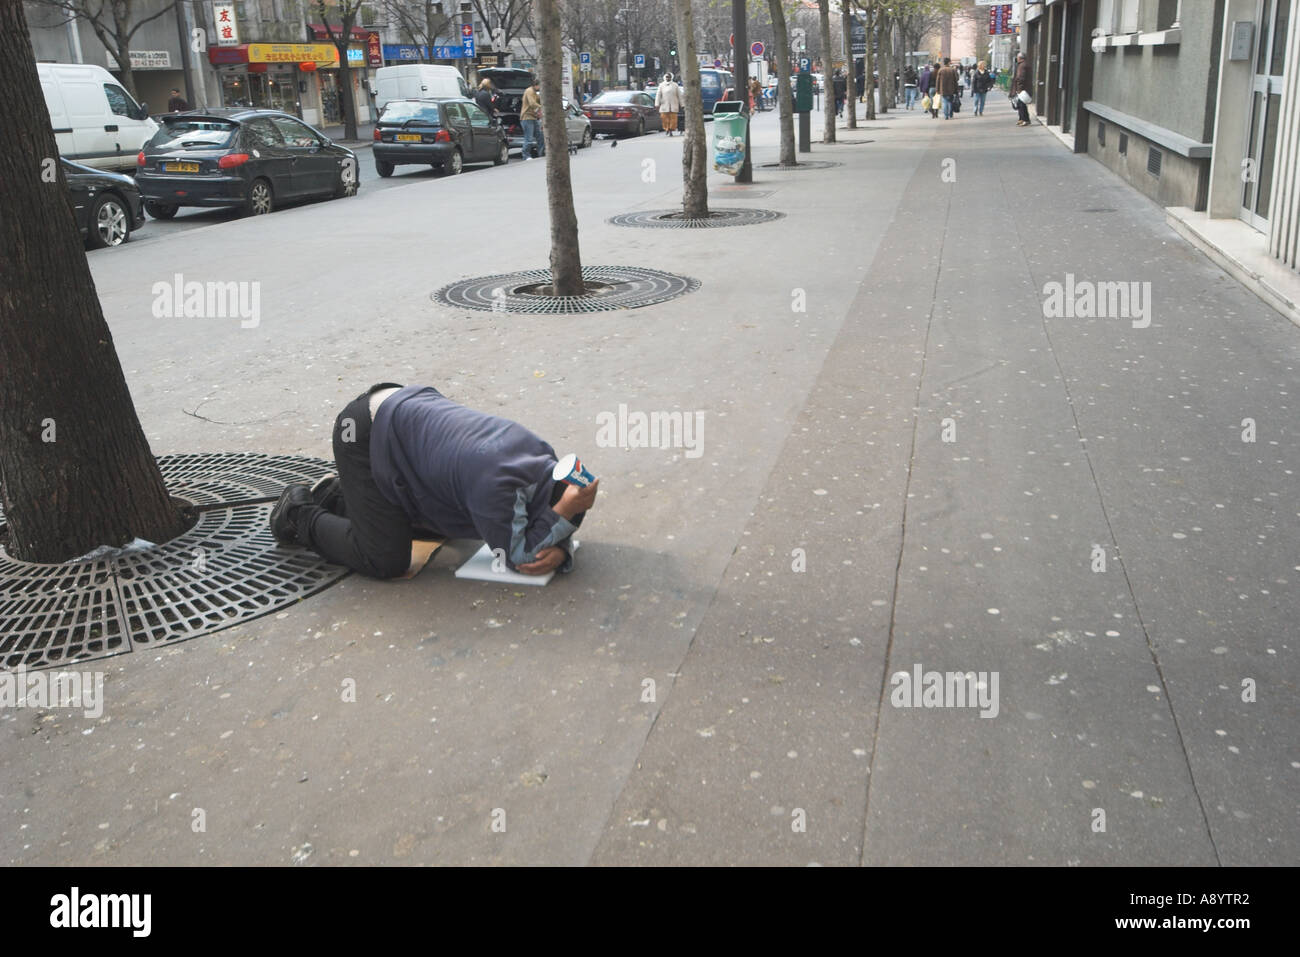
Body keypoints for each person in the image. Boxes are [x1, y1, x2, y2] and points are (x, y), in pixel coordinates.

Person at [270, 384, 597, 579]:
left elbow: (547, 519)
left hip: (402, 415)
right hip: (363, 434)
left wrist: (562, 541)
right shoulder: (497, 488)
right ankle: (298, 513)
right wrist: (563, 518)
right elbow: (519, 558)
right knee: (384, 560)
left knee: (448, 523)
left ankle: (341, 497)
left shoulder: (542, 460)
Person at [520, 77, 544, 158]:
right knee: (529, 138)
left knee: (540, 137)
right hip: (527, 118)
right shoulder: (529, 91)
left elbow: (539, 100)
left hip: (533, 118)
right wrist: (541, 108)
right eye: (540, 86)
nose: (540, 88)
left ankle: (541, 153)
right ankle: (526, 155)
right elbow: (532, 103)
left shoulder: (535, 92)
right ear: (536, 85)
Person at [1010, 52, 1032, 127]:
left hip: (1022, 89)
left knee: (1021, 105)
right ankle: (1022, 119)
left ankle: (1025, 119)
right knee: (1020, 104)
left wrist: (1019, 88)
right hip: (1025, 88)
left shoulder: (1022, 66)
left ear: (1019, 58)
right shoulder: (1025, 64)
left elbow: (1020, 77)